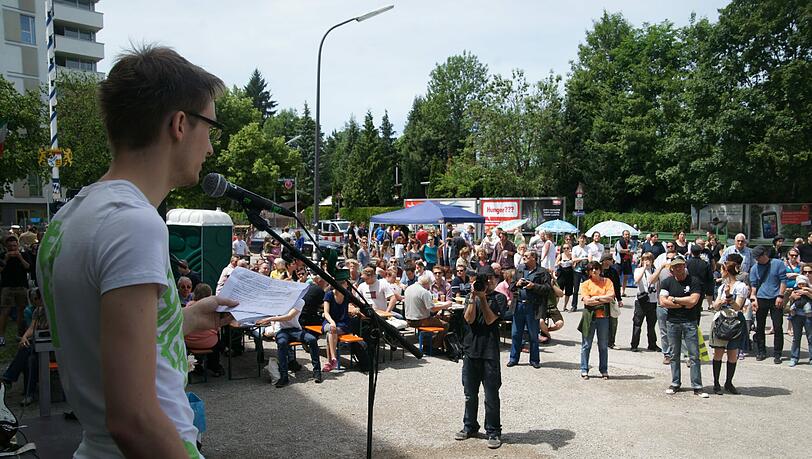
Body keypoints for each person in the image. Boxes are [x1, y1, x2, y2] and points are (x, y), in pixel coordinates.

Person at [34, 46, 239, 457]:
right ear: (180, 123)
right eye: (210, 129)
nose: (211, 149)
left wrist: (186, 317)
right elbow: (134, 419)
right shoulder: (134, 223)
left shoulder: (72, 217)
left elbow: (103, 341)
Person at [455, 268, 506, 449]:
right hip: (471, 351)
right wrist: (473, 297)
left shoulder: (499, 298)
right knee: (470, 394)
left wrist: (483, 298)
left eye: (489, 279)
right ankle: (470, 426)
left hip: (489, 352)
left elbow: (491, 319)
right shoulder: (472, 296)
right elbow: (469, 319)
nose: (487, 283)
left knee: (491, 395)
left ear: (494, 279)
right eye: (483, 280)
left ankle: (493, 431)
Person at [659, 256, 708, 398]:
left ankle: (697, 386)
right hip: (672, 322)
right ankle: (675, 383)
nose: (678, 269)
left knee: (694, 355)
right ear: (671, 269)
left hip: (690, 322)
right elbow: (662, 302)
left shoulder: (694, 281)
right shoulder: (667, 282)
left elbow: (693, 301)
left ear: (684, 266)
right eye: (675, 267)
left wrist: (673, 299)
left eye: (681, 266)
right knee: (674, 354)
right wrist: (683, 303)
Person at [1, 287, 48, 406]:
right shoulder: (37, 312)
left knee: (27, 352)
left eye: (37, 298)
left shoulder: (52, 313)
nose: (35, 301)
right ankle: (29, 394)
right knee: (29, 358)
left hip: (50, 349)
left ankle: (9, 378)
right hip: (37, 348)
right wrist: (24, 337)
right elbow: (31, 328)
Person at [507, 252, 549, 369]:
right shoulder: (519, 270)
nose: (524, 258)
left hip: (533, 307)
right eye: (523, 256)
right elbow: (511, 287)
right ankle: (513, 358)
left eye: (527, 256)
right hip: (519, 305)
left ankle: (534, 360)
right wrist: (517, 283)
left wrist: (533, 286)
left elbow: (547, 289)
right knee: (516, 334)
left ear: (534, 258)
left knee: (533, 335)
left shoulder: (542, 272)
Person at [709, 261, 746, 394]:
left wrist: (729, 297)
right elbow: (715, 305)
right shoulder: (721, 287)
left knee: (732, 354)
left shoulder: (741, 286)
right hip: (720, 320)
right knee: (718, 353)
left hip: (734, 321)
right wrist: (720, 301)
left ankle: (729, 382)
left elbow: (738, 307)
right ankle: (716, 383)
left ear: (727, 271)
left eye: (722, 269)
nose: (720, 272)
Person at [749, 246, 788, 363]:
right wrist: (753, 298)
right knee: (760, 327)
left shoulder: (777, 263)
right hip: (761, 298)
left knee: (777, 326)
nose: (757, 260)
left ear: (764, 255)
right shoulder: (755, 268)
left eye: (759, 257)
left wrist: (781, 296)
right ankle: (761, 351)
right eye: (756, 258)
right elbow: (754, 284)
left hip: (775, 298)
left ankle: (777, 353)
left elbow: (783, 280)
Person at [578, 261, 612, 379]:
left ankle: (604, 370)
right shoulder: (585, 284)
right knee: (586, 344)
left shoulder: (607, 281)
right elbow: (587, 301)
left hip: (603, 317)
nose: (594, 271)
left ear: (600, 270)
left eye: (596, 268)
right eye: (591, 269)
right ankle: (584, 369)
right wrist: (602, 299)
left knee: (603, 345)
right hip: (589, 317)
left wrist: (595, 298)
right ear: (588, 272)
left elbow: (611, 297)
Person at [184, 283, 225, 378]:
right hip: (208, 343)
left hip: (189, 342)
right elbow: (217, 328)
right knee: (217, 342)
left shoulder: (189, 306)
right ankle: (214, 366)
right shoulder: (213, 309)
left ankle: (196, 366)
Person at [0, 236, 32, 343]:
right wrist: (6, 258)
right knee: (5, 311)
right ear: (6, 247)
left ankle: (20, 334)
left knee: (21, 311)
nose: (12, 248)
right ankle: (1, 337)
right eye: (10, 246)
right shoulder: (2, 256)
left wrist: (20, 258)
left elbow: (28, 267)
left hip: (21, 286)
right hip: (7, 286)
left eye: (14, 245)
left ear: (17, 245)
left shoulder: (24, 254)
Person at [404, 275, 449, 351]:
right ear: (427, 283)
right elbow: (432, 309)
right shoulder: (424, 292)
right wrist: (446, 306)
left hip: (409, 319)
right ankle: (434, 345)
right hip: (421, 321)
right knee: (446, 325)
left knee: (436, 319)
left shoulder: (408, 288)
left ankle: (429, 342)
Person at [631, 253, 664, 352]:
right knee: (637, 324)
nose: (647, 261)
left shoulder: (655, 271)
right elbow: (637, 280)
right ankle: (634, 344)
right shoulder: (638, 270)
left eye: (649, 259)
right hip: (641, 301)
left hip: (653, 300)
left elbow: (656, 282)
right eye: (645, 259)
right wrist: (644, 269)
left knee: (651, 324)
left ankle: (652, 344)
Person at [321, 270, 353, 373]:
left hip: (343, 323)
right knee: (331, 329)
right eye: (345, 284)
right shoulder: (329, 295)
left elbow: (354, 305)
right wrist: (331, 322)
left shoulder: (347, 295)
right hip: (329, 322)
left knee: (330, 333)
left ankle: (330, 361)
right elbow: (326, 312)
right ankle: (333, 359)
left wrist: (354, 310)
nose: (347, 286)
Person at [788, 275, 812, 366]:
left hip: (809, 316)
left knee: (810, 338)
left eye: (803, 283)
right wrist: (792, 296)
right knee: (796, 338)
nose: (801, 285)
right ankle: (794, 357)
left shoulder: (809, 288)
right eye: (800, 284)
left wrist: (806, 293)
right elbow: (790, 299)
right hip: (797, 316)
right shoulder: (795, 289)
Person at [600, 254, 622, 349]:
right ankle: (601, 341)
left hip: (611, 299)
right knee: (601, 321)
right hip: (599, 299)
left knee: (613, 321)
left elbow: (617, 286)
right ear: (604, 260)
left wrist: (619, 299)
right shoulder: (598, 271)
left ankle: (611, 342)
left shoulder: (614, 271)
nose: (611, 261)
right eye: (609, 259)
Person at [555, 243, 575, 310]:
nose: (566, 249)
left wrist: (572, 263)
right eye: (564, 248)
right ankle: (555, 306)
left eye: (567, 248)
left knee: (568, 292)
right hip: (561, 274)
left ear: (570, 248)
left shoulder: (572, 256)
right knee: (558, 291)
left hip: (569, 275)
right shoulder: (560, 255)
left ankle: (565, 306)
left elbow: (574, 267)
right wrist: (559, 263)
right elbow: (555, 264)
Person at [615, 230, 634, 297]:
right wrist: (627, 251)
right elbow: (620, 250)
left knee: (626, 277)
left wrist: (626, 251)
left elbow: (632, 251)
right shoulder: (619, 241)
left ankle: (623, 292)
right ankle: (616, 291)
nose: (627, 236)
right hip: (620, 261)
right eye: (626, 234)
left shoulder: (631, 242)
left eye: (628, 234)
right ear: (623, 235)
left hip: (627, 261)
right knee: (617, 277)